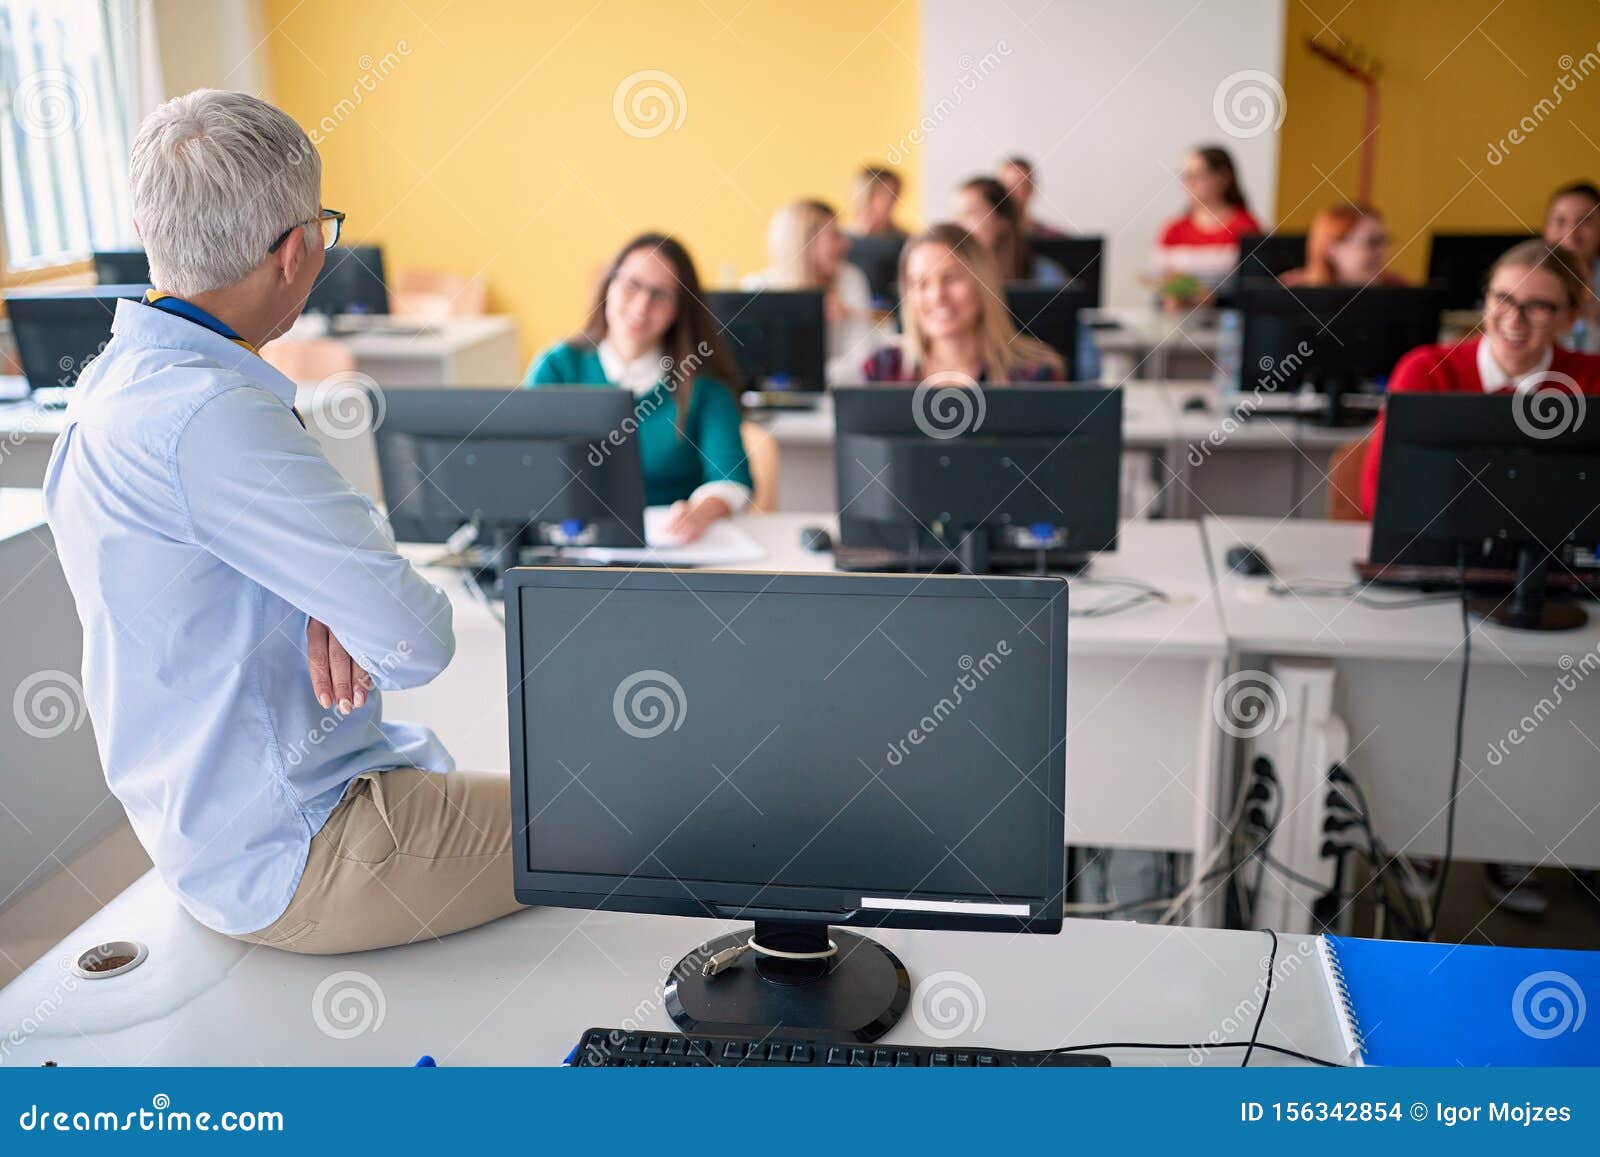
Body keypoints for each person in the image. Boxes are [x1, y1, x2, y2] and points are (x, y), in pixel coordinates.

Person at [43, 89, 514, 956]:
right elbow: (418, 642)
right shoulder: (213, 415)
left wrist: (326, 583)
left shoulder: (115, 379)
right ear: (296, 252)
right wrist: (341, 579)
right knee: (605, 822)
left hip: (205, 831)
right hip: (304, 851)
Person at [1358, 240, 1600, 916]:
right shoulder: (1428, 368)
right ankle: (1419, 831)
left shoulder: (1590, 379)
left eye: (1537, 305)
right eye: (1502, 299)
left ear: (1571, 314)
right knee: (1423, 680)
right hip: (1439, 577)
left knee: (1547, 690)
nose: (1514, 318)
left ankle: (1519, 833)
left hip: (1550, 584)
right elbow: (1384, 492)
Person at [526, 233, 751, 543]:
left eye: (661, 294)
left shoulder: (704, 384)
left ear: (679, 309)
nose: (642, 305)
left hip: (672, 550)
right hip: (571, 547)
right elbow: (526, 466)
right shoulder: (557, 367)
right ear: (608, 286)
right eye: (632, 285)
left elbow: (731, 479)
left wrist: (700, 512)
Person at [861, 223, 1064, 383]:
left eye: (950, 278)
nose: (937, 295)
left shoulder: (1034, 375)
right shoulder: (882, 370)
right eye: (921, 283)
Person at [743, 199, 877, 384]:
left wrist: (848, 315)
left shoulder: (850, 280)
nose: (846, 244)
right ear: (806, 241)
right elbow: (749, 367)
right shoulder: (756, 287)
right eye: (835, 236)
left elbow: (862, 363)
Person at [1156, 145, 1264, 282]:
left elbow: (1254, 283)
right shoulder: (1173, 229)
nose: (1189, 184)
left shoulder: (1245, 227)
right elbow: (1160, 281)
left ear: (1222, 178)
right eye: (1185, 176)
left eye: (1197, 176)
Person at [952, 176, 1066, 285]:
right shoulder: (951, 276)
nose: (958, 226)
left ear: (1002, 219)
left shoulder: (1047, 277)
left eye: (970, 214)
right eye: (956, 216)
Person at [1280, 204, 1408, 287]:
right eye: (1373, 241)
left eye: (1384, 240)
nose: (1383, 250)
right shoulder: (1294, 290)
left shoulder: (1397, 287)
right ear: (1331, 248)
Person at [1542, 181, 1600, 350]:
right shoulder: (1526, 278)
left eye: (1585, 221)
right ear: (1546, 229)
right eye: (1560, 221)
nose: (1571, 233)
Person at [997, 155, 1068, 239]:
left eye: (1023, 185)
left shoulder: (1054, 238)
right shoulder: (985, 239)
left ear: (1032, 189)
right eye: (1009, 186)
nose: (1015, 192)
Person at [845, 164, 906, 238]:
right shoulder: (842, 240)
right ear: (865, 196)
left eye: (895, 194)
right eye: (883, 194)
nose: (893, 201)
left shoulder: (905, 240)